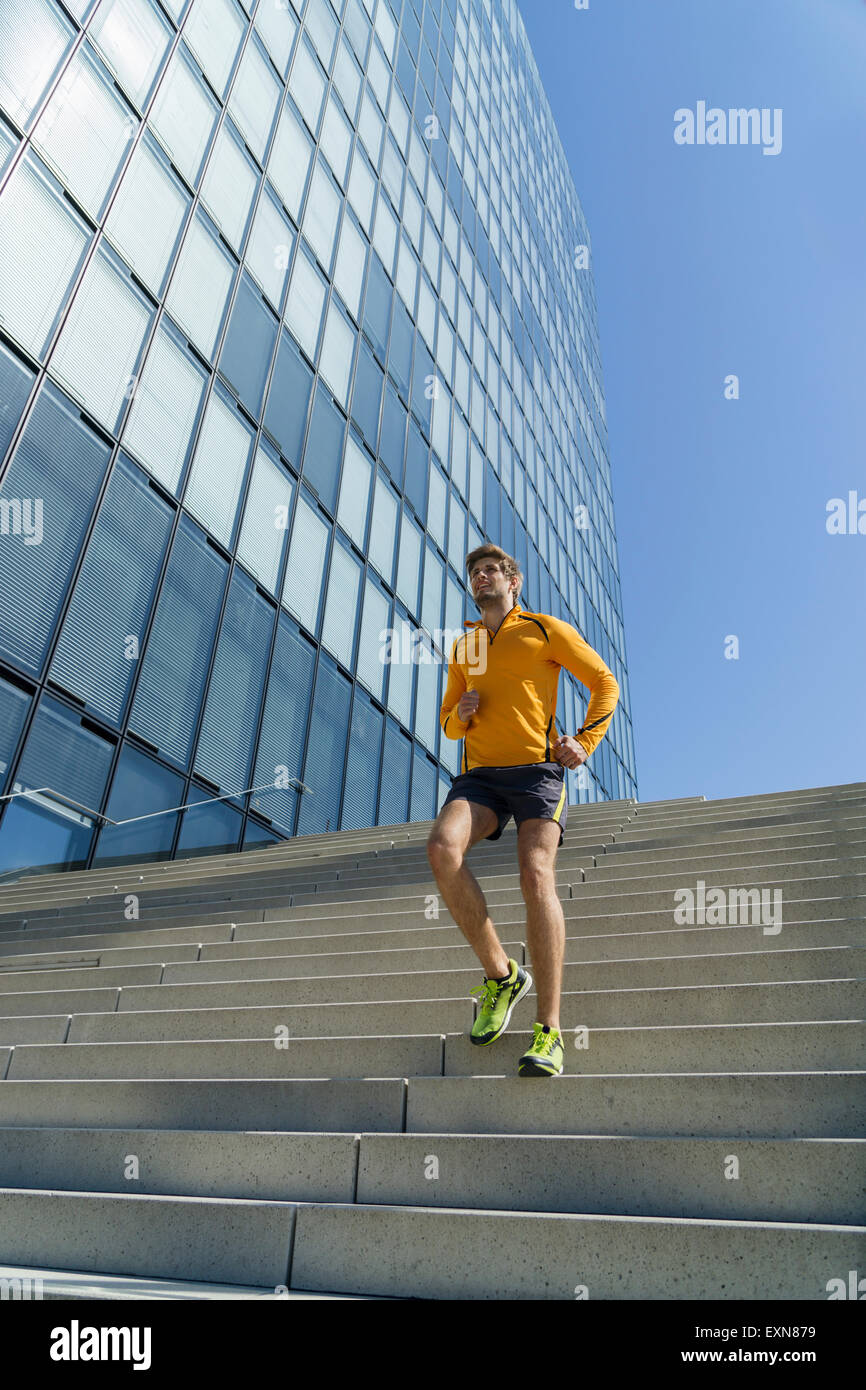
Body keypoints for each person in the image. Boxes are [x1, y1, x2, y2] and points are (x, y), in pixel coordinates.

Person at [426, 544, 620, 1076]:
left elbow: (605, 682)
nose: (480, 577)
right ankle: (502, 976)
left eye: (490, 570)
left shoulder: (543, 629)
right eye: (474, 572)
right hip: (481, 778)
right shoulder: (465, 647)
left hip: (537, 773)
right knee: (443, 849)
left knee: (536, 874)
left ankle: (549, 1031)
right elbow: (446, 722)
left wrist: (585, 740)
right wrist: (461, 715)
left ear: (514, 581)